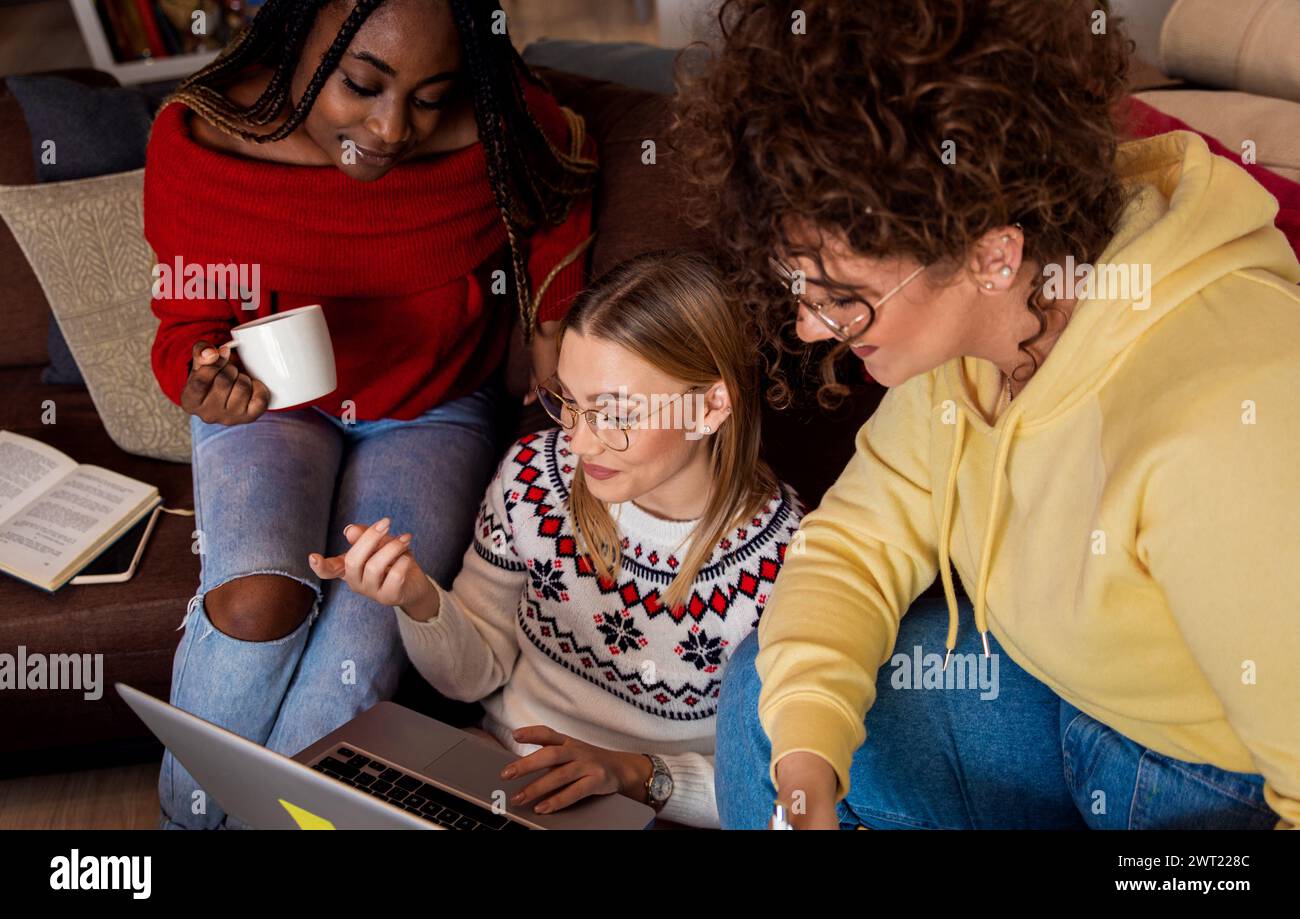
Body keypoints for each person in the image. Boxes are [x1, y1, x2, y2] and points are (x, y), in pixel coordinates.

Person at [672, 0, 1300, 829]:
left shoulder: (1224, 418)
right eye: (805, 292)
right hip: (1070, 703)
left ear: (991, 253)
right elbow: (857, 544)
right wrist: (806, 767)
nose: (810, 328)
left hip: (1225, 788)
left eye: (845, 299)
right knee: (773, 700)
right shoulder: (984, 333)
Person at [145, 0, 596, 829]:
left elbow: (563, 168)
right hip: (276, 402)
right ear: (296, 40)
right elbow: (186, 320)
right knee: (256, 602)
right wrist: (201, 377)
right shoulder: (203, 139)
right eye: (362, 84)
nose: (393, 129)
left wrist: (553, 315)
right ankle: (184, 820)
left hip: (434, 410)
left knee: (363, 636)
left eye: (430, 96)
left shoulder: (496, 128)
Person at [309, 251, 805, 827]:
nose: (579, 442)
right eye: (568, 401)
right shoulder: (535, 478)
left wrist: (635, 774)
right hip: (499, 773)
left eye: (614, 414)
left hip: (646, 813)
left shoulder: (788, 559)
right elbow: (475, 677)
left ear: (709, 408)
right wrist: (419, 601)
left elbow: (778, 798)